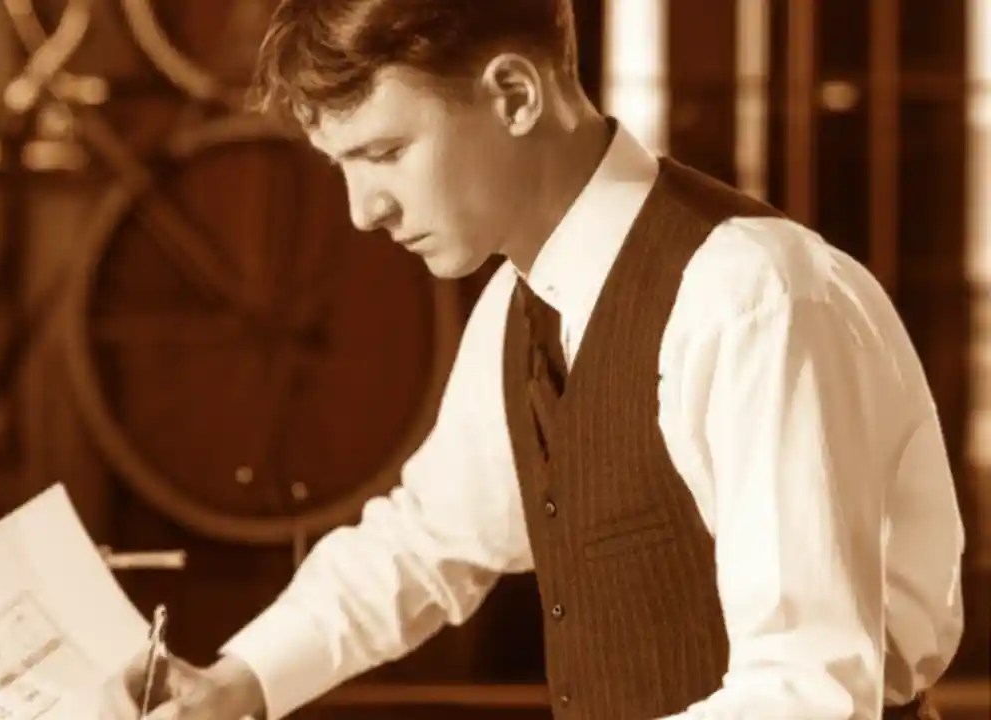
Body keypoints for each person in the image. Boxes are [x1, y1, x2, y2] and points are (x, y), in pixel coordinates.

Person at [99, 1, 966, 718]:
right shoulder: (523, 306)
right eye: (342, 167)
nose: (363, 211)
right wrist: (239, 683)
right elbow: (429, 539)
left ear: (514, 94)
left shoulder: (749, 298)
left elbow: (808, 692)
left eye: (385, 153)